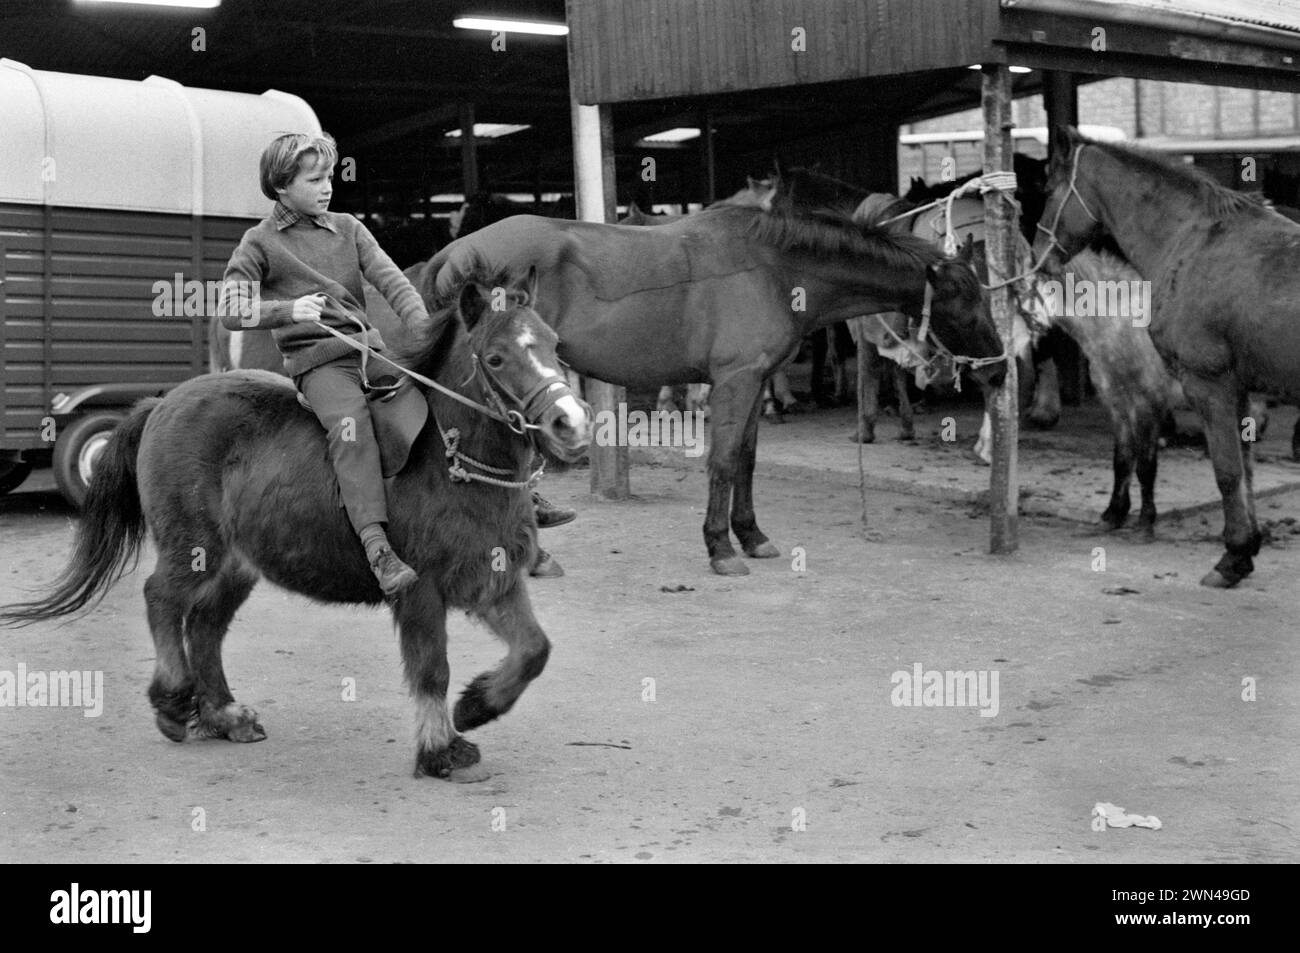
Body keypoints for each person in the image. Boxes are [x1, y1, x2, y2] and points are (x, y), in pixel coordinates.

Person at [218, 132, 427, 596]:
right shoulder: (259, 242)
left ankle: (514, 499)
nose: (327, 187)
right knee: (351, 429)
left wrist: (426, 329)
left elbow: (395, 283)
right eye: (314, 179)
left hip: (370, 351)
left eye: (329, 176)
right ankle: (378, 549)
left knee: (435, 397)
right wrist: (287, 311)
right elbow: (230, 309)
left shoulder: (350, 228)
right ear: (281, 184)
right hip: (319, 366)